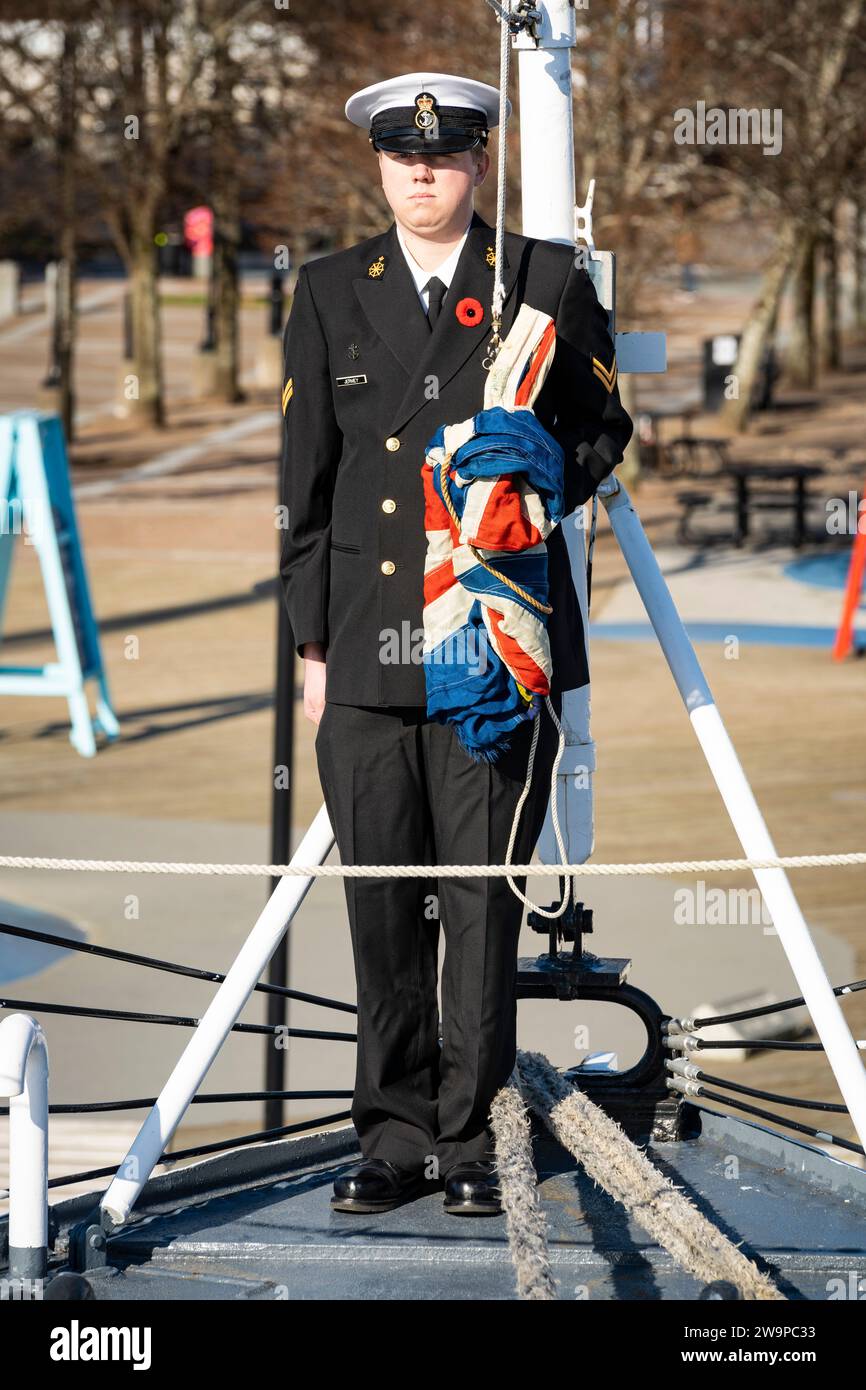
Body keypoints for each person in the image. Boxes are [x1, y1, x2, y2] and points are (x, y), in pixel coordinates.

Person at [279, 71, 633, 1217]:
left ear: (478, 162)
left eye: (443, 157)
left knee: (478, 904)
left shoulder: (539, 278)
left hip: (490, 642)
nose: (421, 174)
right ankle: (391, 1140)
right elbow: (307, 486)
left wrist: (552, 471)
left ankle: (476, 1145)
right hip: (369, 658)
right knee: (382, 904)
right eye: (401, 157)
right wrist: (310, 648)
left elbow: (600, 426)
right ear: (379, 167)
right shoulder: (331, 289)